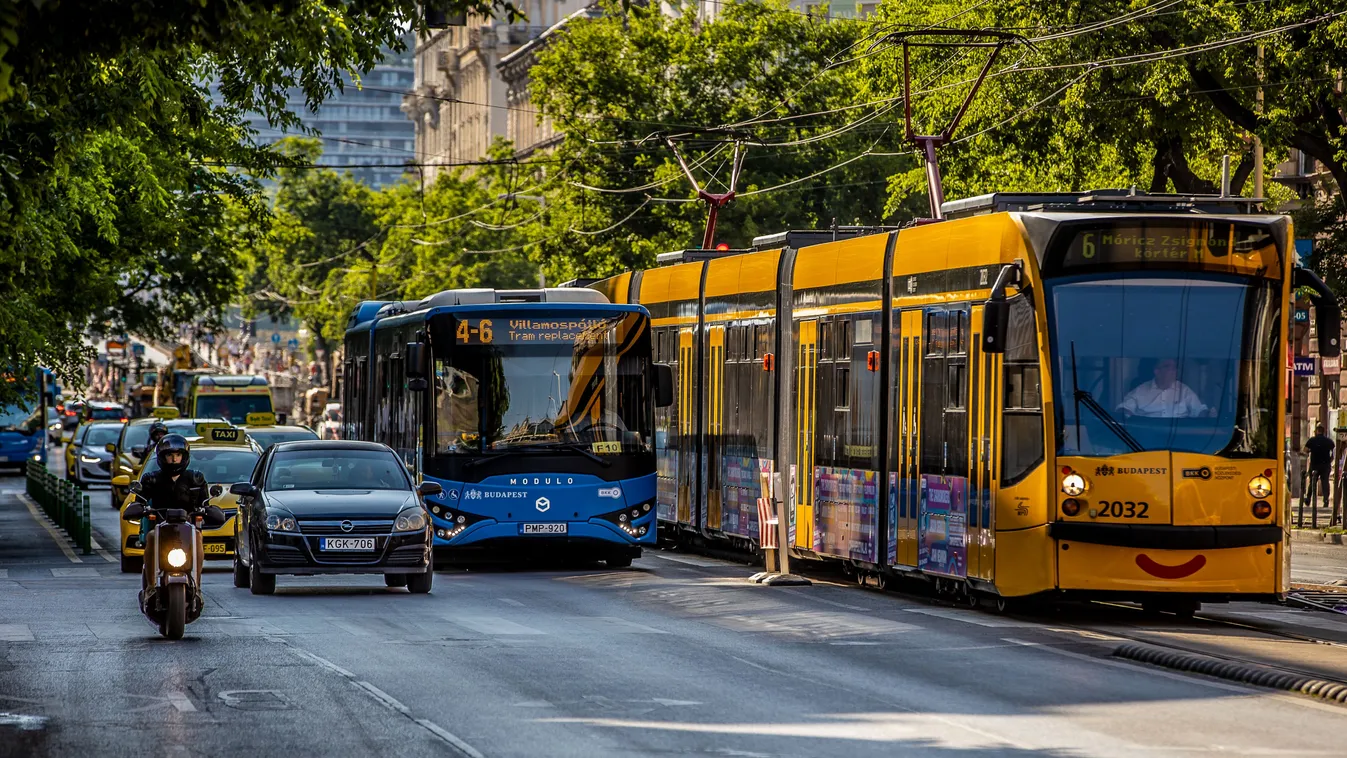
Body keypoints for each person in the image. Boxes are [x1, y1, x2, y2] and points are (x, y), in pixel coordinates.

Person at [134, 434, 211, 588]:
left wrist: (207, 511)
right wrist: (138, 509)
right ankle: (150, 586)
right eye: (170, 455)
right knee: (150, 537)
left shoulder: (196, 479)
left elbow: (205, 504)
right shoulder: (151, 479)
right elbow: (140, 502)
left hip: (187, 528)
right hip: (160, 527)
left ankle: (197, 586)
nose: (174, 459)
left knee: (197, 536)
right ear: (163, 457)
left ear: (184, 457)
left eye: (178, 455)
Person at [1117, 358, 1213, 418]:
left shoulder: (1184, 390)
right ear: (1157, 371)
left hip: (1179, 438)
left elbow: (1199, 411)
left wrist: (1208, 414)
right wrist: (1126, 414)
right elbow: (1123, 409)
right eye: (1168, 366)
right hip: (1147, 437)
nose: (1173, 370)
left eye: (1175, 367)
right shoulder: (1140, 390)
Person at [1305, 424, 1336, 523]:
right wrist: (1330, 460)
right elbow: (1334, 451)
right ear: (1324, 431)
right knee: (1325, 482)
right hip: (1325, 465)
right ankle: (1325, 500)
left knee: (1312, 482)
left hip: (1314, 464)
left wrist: (1310, 450)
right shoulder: (1328, 441)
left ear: (1316, 431)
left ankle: (1308, 499)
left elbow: (1305, 450)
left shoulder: (1312, 440)